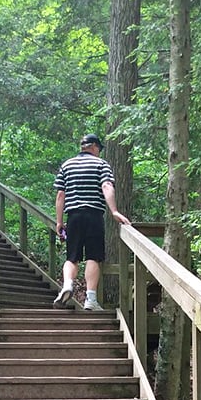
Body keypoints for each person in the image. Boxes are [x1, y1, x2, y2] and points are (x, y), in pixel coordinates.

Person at [53, 133, 131, 311]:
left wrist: (59, 222)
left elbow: (60, 195)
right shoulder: (101, 164)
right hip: (94, 215)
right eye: (99, 149)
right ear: (94, 146)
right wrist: (114, 211)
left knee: (72, 257)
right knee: (93, 257)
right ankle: (91, 299)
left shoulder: (67, 165)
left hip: (73, 216)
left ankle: (67, 284)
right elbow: (106, 185)